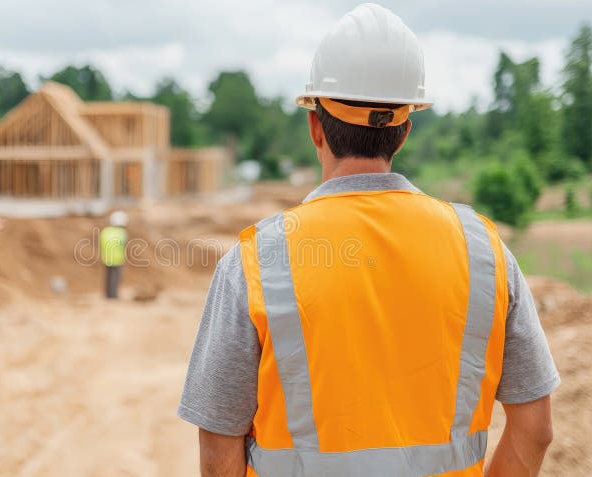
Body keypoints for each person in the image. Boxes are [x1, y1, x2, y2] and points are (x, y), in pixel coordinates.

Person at [178, 4, 559, 477]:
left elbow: (219, 447)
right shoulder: (484, 251)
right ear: (403, 133)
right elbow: (535, 428)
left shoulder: (258, 260)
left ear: (316, 125)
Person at [100, 210, 128, 299]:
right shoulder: (121, 233)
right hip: (117, 259)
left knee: (108, 277)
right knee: (115, 278)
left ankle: (108, 294)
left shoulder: (105, 231)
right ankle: (113, 295)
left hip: (106, 258)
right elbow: (123, 244)